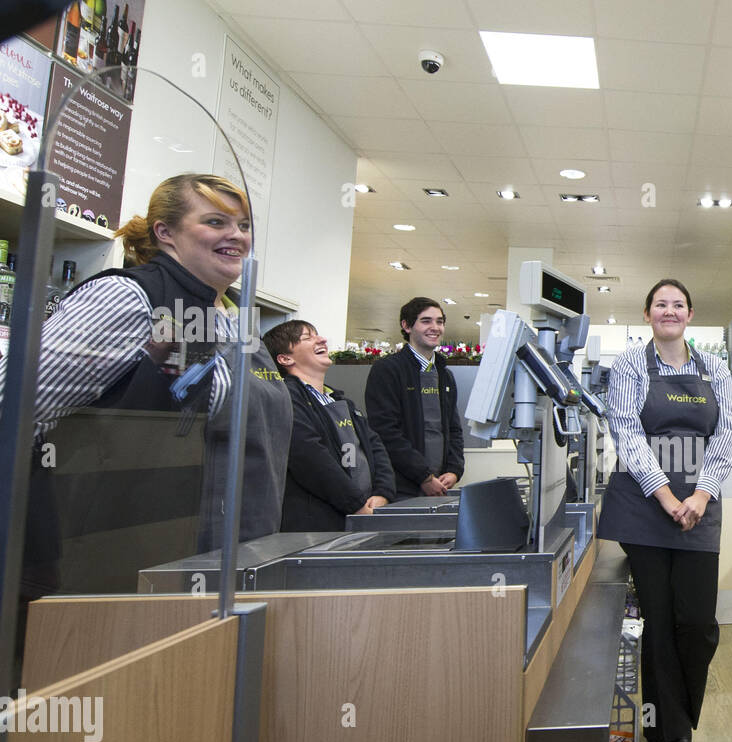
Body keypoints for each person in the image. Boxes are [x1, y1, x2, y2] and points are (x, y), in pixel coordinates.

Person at [0, 172, 291, 562]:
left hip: (230, 553)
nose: (237, 236)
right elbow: (13, 405)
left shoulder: (232, 317)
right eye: (215, 222)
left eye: (243, 226)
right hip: (125, 555)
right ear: (165, 232)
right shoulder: (128, 298)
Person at [596, 279, 732, 742]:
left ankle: (679, 716)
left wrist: (699, 496)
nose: (670, 311)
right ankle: (669, 729)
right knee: (656, 622)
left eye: (678, 304)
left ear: (691, 315)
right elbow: (628, 433)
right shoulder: (631, 365)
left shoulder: (715, 369)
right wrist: (666, 495)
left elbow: (726, 435)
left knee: (696, 624)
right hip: (644, 509)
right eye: (661, 304)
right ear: (647, 313)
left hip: (699, 509)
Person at [264, 320, 395, 531]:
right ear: (285, 358)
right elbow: (310, 458)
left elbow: (375, 446)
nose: (322, 339)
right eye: (308, 337)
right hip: (317, 527)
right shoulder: (286, 398)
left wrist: (383, 493)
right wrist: (356, 504)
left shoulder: (340, 400)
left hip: (362, 516)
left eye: (318, 334)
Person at [364, 297, 465, 499]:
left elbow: (454, 429)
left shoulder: (445, 375)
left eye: (440, 321)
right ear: (406, 325)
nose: (435, 327)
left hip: (440, 486)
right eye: (426, 321)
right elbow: (385, 431)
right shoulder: (388, 370)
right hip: (401, 487)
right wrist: (424, 477)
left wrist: (454, 470)